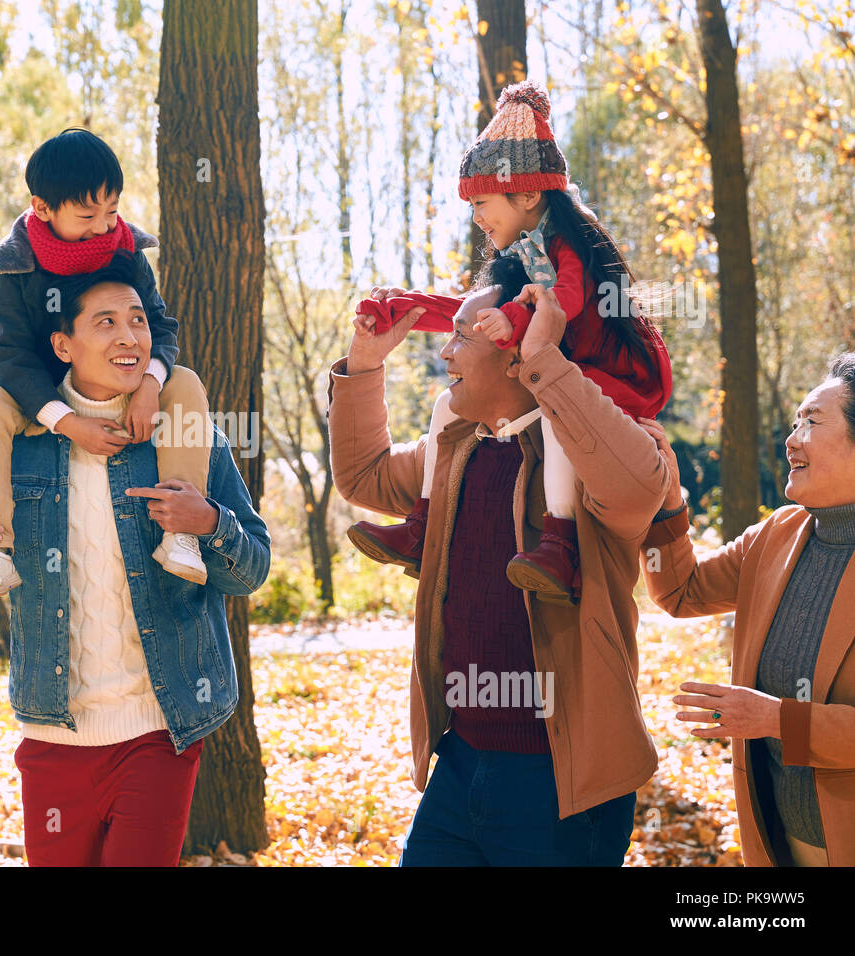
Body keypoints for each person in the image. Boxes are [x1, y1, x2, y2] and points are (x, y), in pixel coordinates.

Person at [329, 275, 672, 865]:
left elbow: (640, 489)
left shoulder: (602, 449)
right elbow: (365, 478)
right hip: (460, 765)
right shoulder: (458, 446)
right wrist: (362, 366)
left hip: (562, 783)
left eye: (463, 336)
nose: (445, 352)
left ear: (516, 351)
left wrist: (549, 358)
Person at [0, 255, 270, 866]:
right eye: (106, 323)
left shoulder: (185, 433)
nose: (128, 336)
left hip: (158, 726)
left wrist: (209, 525)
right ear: (63, 344)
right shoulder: (17, 444)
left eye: (138, 320)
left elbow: (252, 568)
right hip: (51, 733)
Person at [349, 80, 673, 606]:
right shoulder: (519, 252)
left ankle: (559, 540)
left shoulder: (574, 243)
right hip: (562, 371)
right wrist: (402, 306)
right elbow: (472, 314)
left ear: (526, 193)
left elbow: (563, 301)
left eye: (482, 202)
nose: (477, 217)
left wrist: (512, 318)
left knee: (556, 415)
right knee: (442, 406)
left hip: (612, 380)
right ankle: (421, 524)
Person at [0, 127, 213, 605]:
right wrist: (67, 421)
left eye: (112, 210)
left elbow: (159, 325)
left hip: (120, 382)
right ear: (42, 208)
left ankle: (182, 532)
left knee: (185, 383)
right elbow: (7, 357)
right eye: (86, 214)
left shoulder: (126, 252)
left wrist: (149, 386)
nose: (102, 226)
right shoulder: (14, 271)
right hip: (40, 397)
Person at [640, 353, 855, 867]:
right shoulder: (774, 536)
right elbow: (681, 591)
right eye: (796, 419)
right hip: (779, 843)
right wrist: (667, 501)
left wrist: (776, 719)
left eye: (813, 421)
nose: (792, 437)